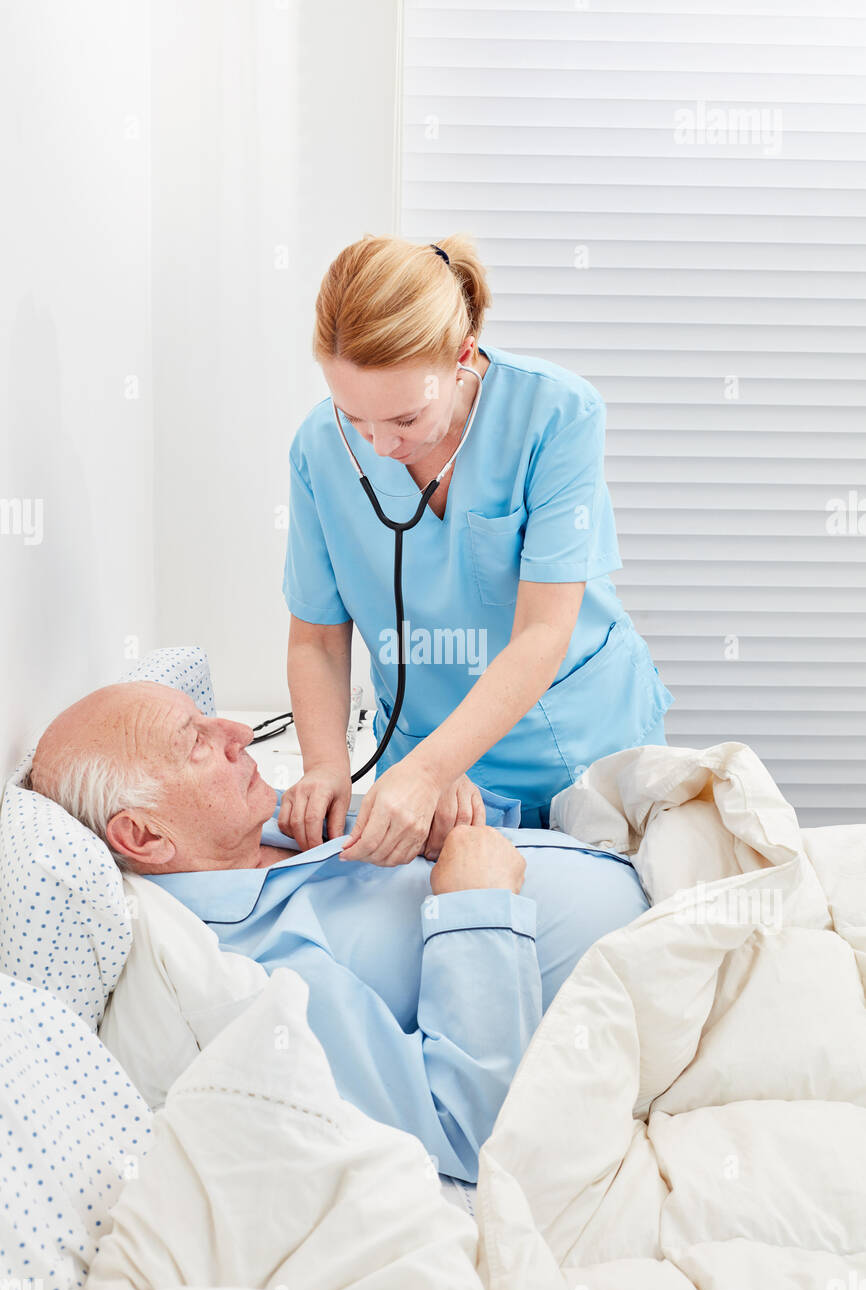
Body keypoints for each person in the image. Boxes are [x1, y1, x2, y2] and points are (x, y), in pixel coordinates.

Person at [29, 680, 650, 1183]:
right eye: (195, 741)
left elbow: (476, 840)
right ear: (144, 837)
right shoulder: (259, 969)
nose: (240, 733)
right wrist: (477, 902)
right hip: (657, 993)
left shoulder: (261, 827)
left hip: (634, 856)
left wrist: (448, 811)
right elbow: (468, 1126)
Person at [281, 232, 673, 868]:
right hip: (431, 770)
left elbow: (544, 631)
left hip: (581, 745)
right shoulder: (317, 450)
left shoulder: (555, 414)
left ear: (463, 355)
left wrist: (431, 769)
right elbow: (318, 638)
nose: (379, 444)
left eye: (405, 419)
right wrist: (325, 765)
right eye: (355, 416)